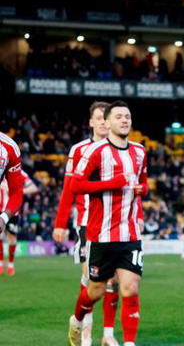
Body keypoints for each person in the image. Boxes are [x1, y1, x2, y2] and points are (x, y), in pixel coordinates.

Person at [67, 101, 148, 346]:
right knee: (96, 292)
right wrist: (110, 183)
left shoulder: (140, 152)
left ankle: (129, 343)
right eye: (119, 117)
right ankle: (77, 318)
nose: (125, 120)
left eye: (128, 116)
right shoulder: (95, 151)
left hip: (130, 234)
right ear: (109, 122)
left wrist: (140, 189)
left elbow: (143, 182)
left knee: (130, 288)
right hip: (100, 235)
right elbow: (75, 185)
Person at [54, 101, 123, 346]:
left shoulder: (120, 150)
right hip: (87, 224)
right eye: (99, 118)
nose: (104, 122)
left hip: (116, 225)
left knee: (114, 280)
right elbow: (68, 189)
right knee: (92, 281)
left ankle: (108, 334)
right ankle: (84, 333)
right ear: (91, 122)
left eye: (107, 118)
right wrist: (60, 223)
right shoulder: (79, 150)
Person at [0, 170, 38, 276]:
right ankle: (1, 263)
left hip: (12, 212)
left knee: (11, 238)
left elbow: (34, 188)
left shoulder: (18, 172)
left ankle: (11, 264)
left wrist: (20, 191)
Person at [0, 132, 24, 243]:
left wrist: (4, 218)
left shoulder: (10, 148)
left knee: (11, 239)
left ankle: (9, 261)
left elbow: (17, 193)